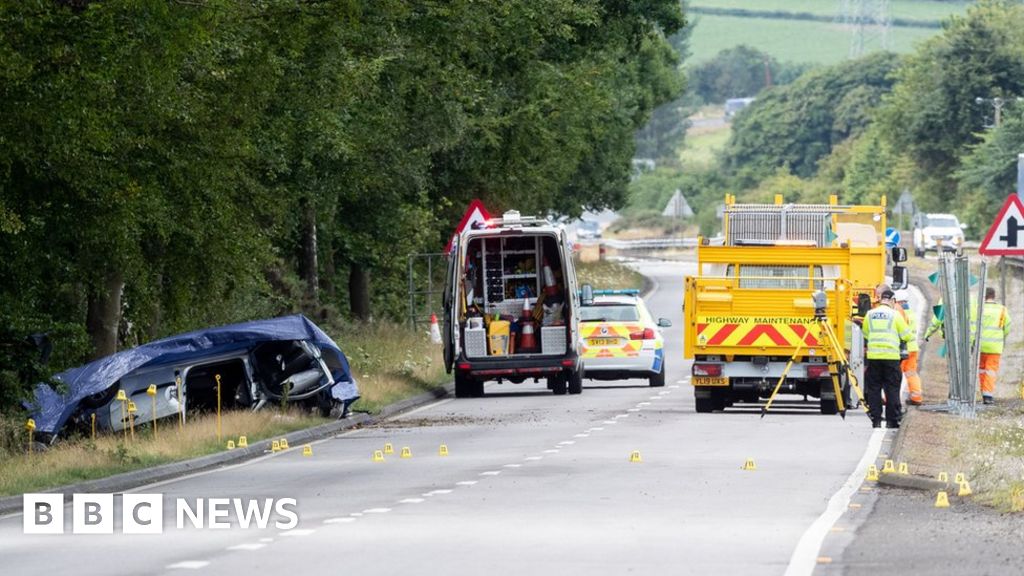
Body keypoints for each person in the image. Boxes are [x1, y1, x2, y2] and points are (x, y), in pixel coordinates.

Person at [862, 290, 914, 428]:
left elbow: (866, 333)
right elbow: (906, 335)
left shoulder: (870, 314)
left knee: (874, 389)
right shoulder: (895, 315)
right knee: (892, 389)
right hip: (891, 358)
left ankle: (876, 419)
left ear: (880, 300)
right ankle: (892, 420)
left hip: (874, 358)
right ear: (892, 300)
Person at [978, 287, 1011, 405]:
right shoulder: (1002, 310)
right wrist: (1001, 336)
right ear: (994, 296)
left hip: (980, 346)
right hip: (995, 346)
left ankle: (983, 391)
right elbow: (1007, 327)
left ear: (984, 296)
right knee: (991, 370)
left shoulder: (979, 309)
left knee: (982, 370)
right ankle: (987, 395)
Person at [894, 290, 923, 405]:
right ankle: (916, 397)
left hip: (902, 349)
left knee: (894, 376)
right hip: (913, 348)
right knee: (911, 373)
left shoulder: (898, 313)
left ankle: (890, 399)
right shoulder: (911, 313)